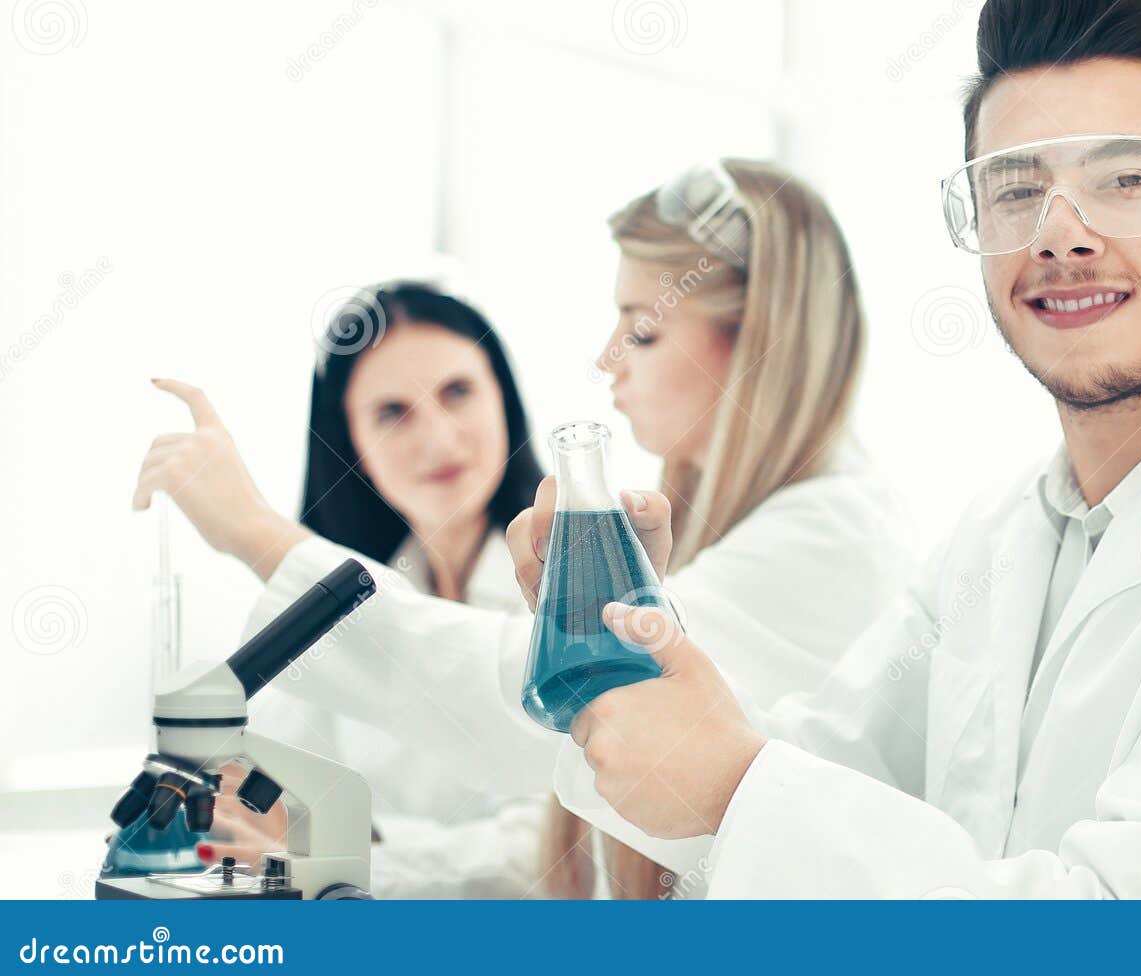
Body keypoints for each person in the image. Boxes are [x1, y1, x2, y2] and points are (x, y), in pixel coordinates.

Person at [530, 0, 1141, 898]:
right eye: (1017, 189)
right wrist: (628, 648)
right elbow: (811, 773)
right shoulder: (998, 537)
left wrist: (739, 792)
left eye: (1128, 181)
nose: (1061, 237)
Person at [132, 160, 911, 898]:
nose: (609, 361)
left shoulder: (823, 537)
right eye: (392, 412)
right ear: (352, 446)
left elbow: (543, 718)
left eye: (642, 331)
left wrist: (253, 532)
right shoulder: (707, 531)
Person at [134, 282, 545, 894]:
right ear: (350, 443)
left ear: (503, 399)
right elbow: (265, 774)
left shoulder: (576, 586)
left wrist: (347, 850)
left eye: (458, 392)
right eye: (392, 412)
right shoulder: (346, 610)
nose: (436, 438)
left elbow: (563, 843)